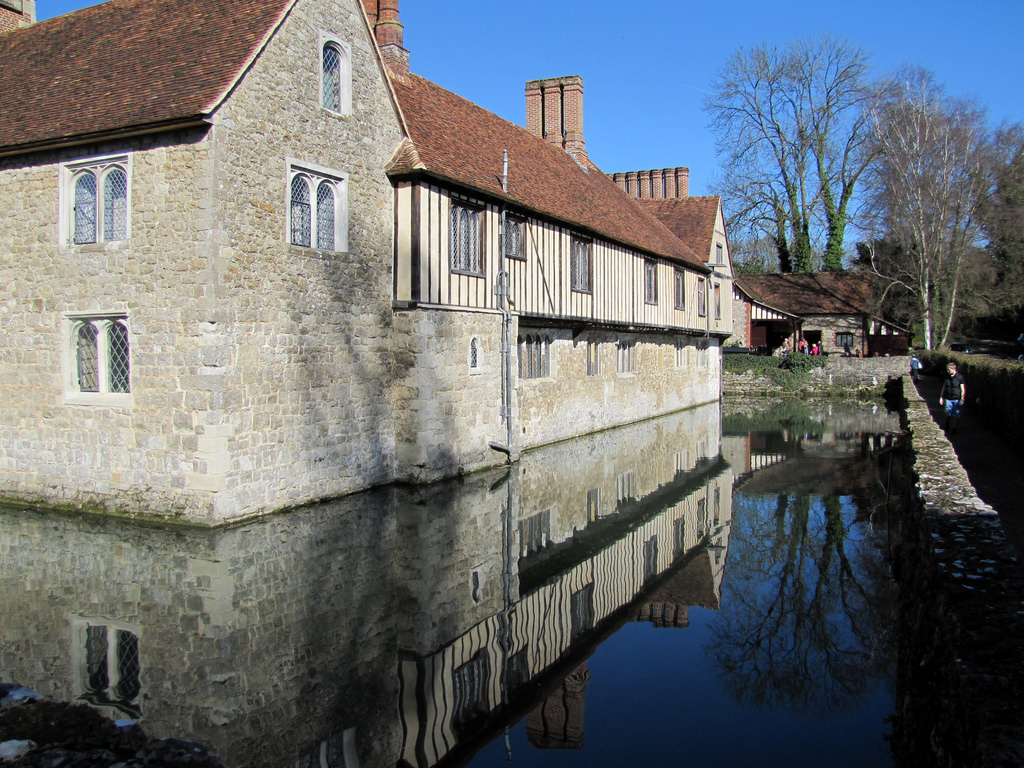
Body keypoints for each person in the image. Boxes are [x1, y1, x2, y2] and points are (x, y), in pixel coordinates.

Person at [939, 361, 965, 434]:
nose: (947, 371)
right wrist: (941, 397)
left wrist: (962, 398)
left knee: (956, 414)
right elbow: (944, 387)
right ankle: (947, 424)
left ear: (953, 369)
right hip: (948, 398)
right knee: (948, 413)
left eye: (948, 370)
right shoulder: (946, 377)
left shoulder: (960, 377)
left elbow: (962, 389)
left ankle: (954, 428)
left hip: (956, 398)